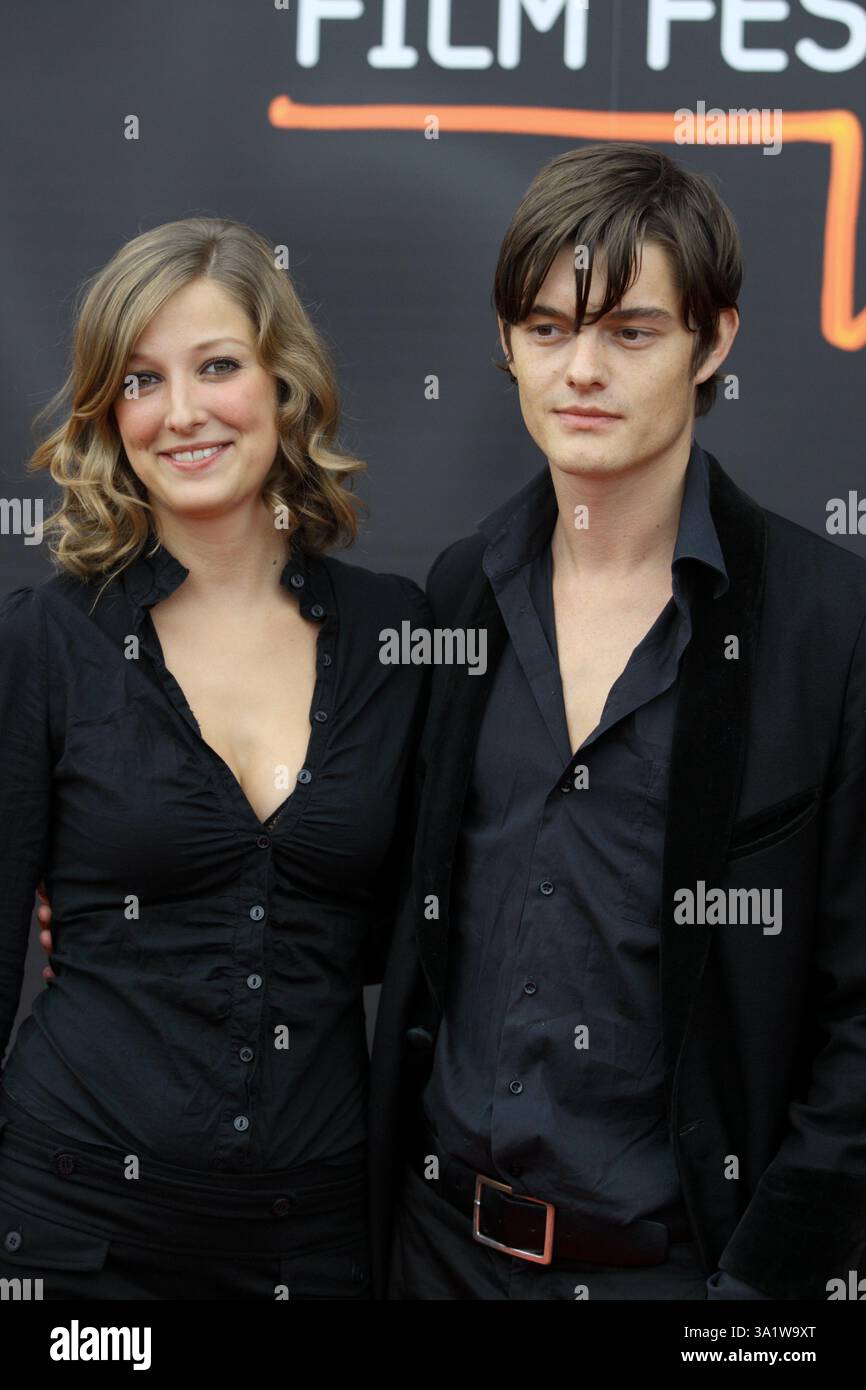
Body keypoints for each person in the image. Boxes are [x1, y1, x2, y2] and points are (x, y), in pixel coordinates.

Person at [370, 142, 866, 1300]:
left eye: (629, 332)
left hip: (678, 1275)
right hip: (434, 1252)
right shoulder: (457, 592)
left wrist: (755, 1302)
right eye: (546, 329)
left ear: (714, 340)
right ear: (506, 343)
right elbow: (379, 900)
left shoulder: (824, 627)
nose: (580, 370)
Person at [0, 216, 429, 1299]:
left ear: (284, 387)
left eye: (218, 366)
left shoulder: (398, 638)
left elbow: (421, 925)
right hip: (71, 1223)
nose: (182, 411)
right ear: (109, 413)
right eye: (141, 379)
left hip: (316, 1235)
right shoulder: (47, 644)